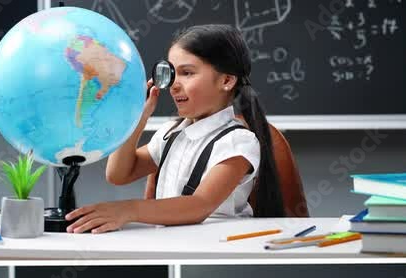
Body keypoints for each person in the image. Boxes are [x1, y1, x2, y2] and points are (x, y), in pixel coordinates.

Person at [66, 24, 285, 233]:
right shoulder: (171, 133)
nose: (174, 84)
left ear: (226, 80)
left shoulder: (237, 141)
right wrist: (137, 118)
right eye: (171, 73)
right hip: (173, 247)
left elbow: (200, 205)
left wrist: (128, 210)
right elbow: (118, 174)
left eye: (187, 73)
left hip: (216, 250)